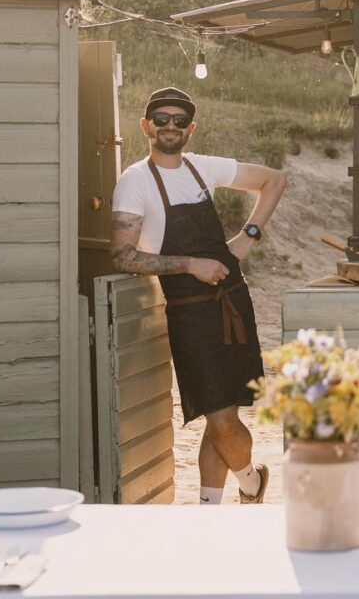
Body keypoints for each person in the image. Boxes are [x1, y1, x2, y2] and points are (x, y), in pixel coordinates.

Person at [110, 87, 287, 505]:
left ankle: (209, 510)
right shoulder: (135, 182)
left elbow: (273, 180)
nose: (169, 126)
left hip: (233, 304)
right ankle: (250, 481)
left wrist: (249, 236)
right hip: (189, 313)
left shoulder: (202, 168)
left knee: (222, 411)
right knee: (221, 416)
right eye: (161, 119)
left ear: (190, 128)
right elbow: (123, 255)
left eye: (178, 120)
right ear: (145, 126)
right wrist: (191, 264)